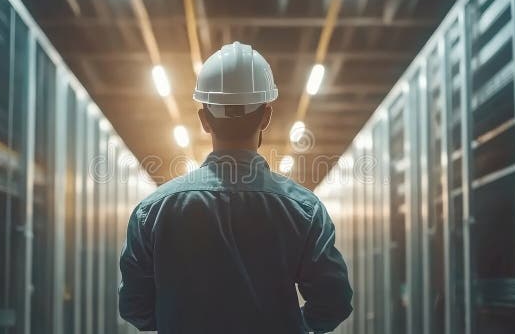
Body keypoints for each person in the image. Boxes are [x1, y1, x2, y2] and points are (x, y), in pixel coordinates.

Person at [118, 42, 353, 334]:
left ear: (204, 120)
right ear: (266, 117)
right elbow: (335, 301)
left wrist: (177, 320)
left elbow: (133, 306)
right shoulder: (305, 210)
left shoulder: (152, 212)